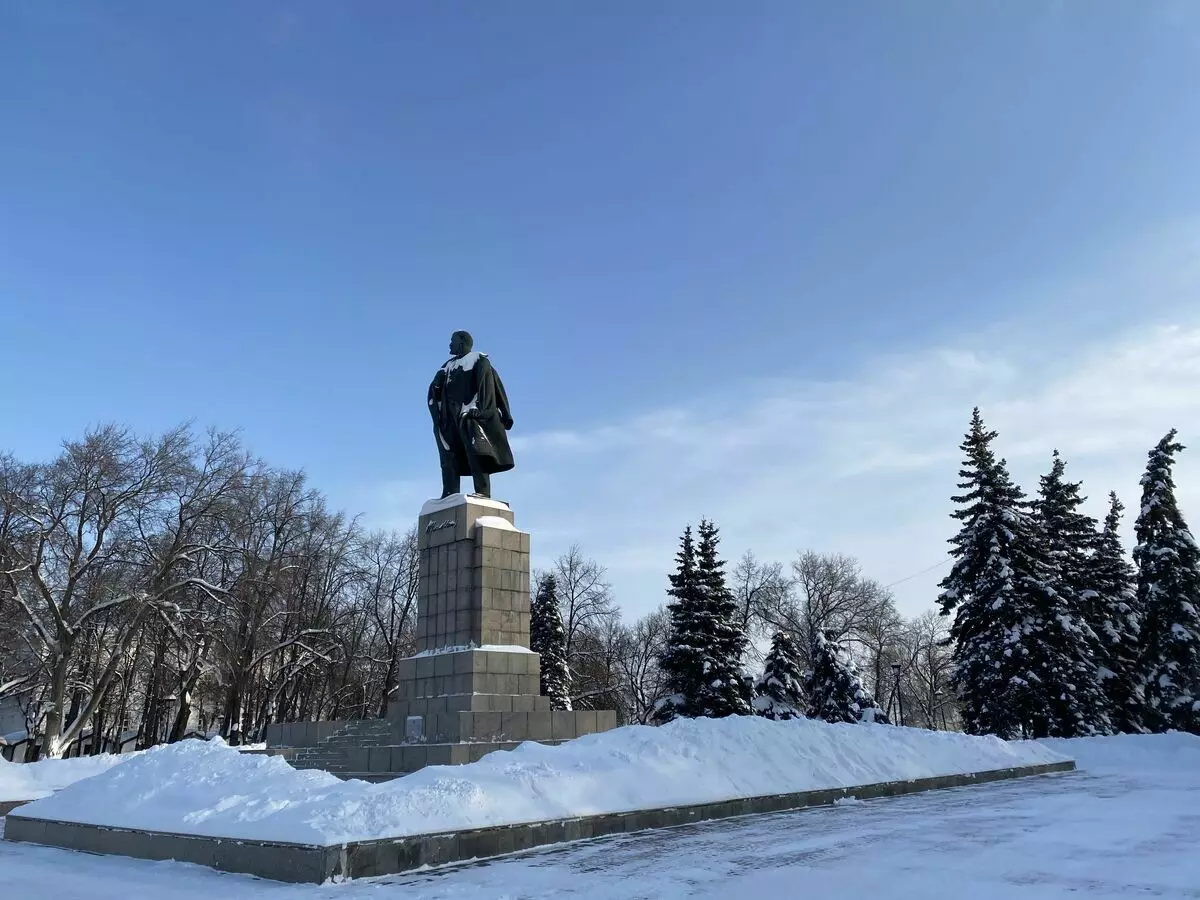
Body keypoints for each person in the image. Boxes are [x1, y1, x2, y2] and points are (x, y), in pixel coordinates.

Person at [427, 330, 515, 498]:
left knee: (476, 452)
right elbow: (435, 393)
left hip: (471, 416)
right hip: (449, 419)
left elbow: (486, 387)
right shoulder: (447, 366)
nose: (450, 344)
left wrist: (477, 407)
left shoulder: (478, 361)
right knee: (449, 454)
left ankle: (482, 492)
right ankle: (450, 493)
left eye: (452, 341)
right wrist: (436, 386)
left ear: (461, 342)